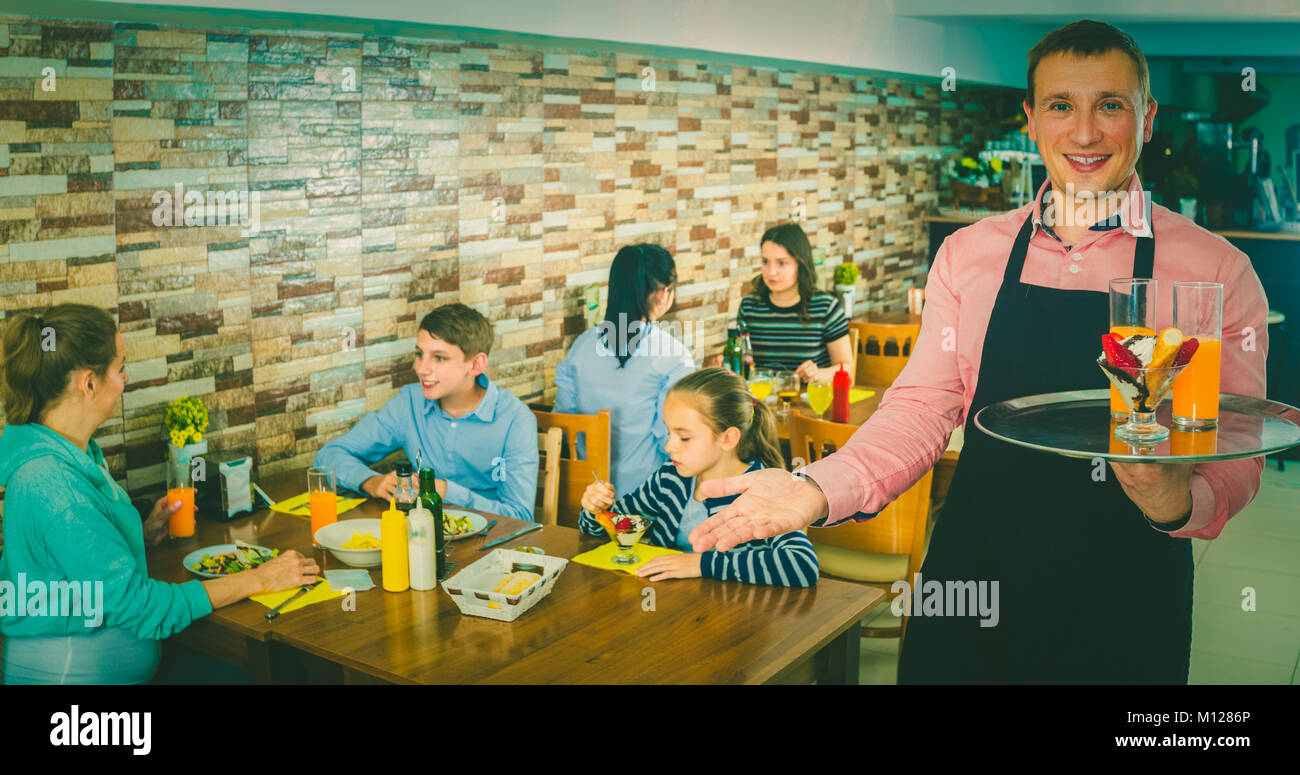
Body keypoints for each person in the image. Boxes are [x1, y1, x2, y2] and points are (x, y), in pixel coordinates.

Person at [687, 20, 1270, 683]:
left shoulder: (1217, 270)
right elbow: (920, 409)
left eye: (1110, 104)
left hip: (1125, 587)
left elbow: (1238, 445)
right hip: (975, 573)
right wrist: (814, 488)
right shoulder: (970, 254)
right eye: (1060, 106)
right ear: (1029, 118)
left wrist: (1172, 498)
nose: (1084, 132)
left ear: (1148, 116)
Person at [0, 304, 318, 684]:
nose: (125, 377)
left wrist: (140, 532)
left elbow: (79, 564)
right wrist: (260, 579)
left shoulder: (69, 451)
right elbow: (138, 606)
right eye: (120, 368)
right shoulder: (52, 482)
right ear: (89, 383)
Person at [578, 368, 818, 587]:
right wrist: (596, 509)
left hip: (734, 620)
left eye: (684, 437)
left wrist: (701, 564)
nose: (669, 446)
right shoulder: (668, 479)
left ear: (727, 438)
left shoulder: (761, 493)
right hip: (673, 612)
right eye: (669, 431)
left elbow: (801, 565)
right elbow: (609, 529)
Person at [314, 303, 538, 521]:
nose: (421, 368)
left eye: (439, 358)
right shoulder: (409, 403)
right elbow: (329, 455)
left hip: (490, 545)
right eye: (420, 354)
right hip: (419, 537)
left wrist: (446, 492)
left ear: (476, 364)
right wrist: (369, 480)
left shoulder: (516, 420)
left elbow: (520, 515)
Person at [554, 244, 695, 496]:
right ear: (663, 293)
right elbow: (674, 441)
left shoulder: (581, 347)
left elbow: (563, 426)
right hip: (647, 500)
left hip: (585, 497)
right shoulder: (674, 356)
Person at [737, 222, 853, 383]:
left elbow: (847, 369)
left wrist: (818, 374)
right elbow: (742, 361)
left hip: (811, 403)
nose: (771, 271)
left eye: (782, 263)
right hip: (762, 403)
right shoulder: (749, 306)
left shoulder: (825, 307)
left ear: (801, 264)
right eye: (765, 262)